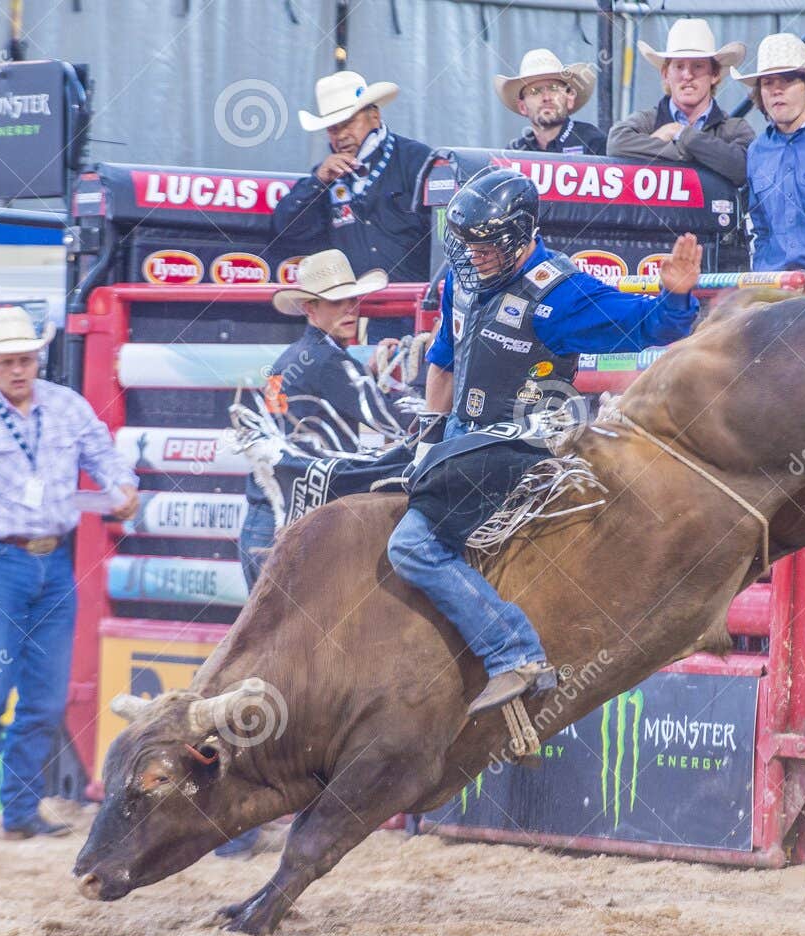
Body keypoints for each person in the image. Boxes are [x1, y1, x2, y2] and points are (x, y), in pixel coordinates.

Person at [386, 168, 702, 717]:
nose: (474, 257)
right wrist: (425, 444)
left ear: (520, 237)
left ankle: (514, 650)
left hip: (519, 446)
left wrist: (675, 298)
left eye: (487, 246)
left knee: (411, 546)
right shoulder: (464, 279)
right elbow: (444, 357)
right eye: (467, 245)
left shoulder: (564, 294)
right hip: (459, 439)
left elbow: (650, 326)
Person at [0, 307, 139, 842]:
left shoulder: (66, 407)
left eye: (25, 360)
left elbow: (103, 452)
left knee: (45, 697)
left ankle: (20, 811)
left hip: (52, 559)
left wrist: (124, 484)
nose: (17, 370)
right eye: (6, 362)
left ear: (36, 359)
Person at [240, 248, 394, 591]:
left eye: (352, 300)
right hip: (291, 528)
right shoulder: (329, 362)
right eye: (336, 302)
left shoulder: (302, 357)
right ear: (310, 308)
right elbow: (390, 423)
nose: (349, 309)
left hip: (269, 520)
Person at [269, 71, 434, 287]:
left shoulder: (417, 159)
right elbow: (286, 230)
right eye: (332, 128)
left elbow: (445, 236)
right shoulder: (325, 177)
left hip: (412, 306)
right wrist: (317, 182)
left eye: (347, 123)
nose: (341, 135)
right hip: (351, 309)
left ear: (374, 116)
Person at [735, 33, 805, 274]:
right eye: (767, 82)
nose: (777, 90)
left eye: (787, 80)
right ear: (760, 93)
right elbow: (761, 228)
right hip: (773, 288)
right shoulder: (757, 150)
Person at [606, 18, 753, 186]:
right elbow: (615, 143)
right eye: (679, 66)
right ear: (665, 73)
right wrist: (693, 153)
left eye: (698, 66)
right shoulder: (645, 121)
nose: (688, 75)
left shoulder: (735, 128)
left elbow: (743, 168)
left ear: (715, 74)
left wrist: (683, 134)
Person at [495, 49, 607, 155]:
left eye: (553, 88)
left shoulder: (594, 143)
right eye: (535, 91)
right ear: (522, 107)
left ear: (570, 98)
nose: (546, 97)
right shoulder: (515, 154)